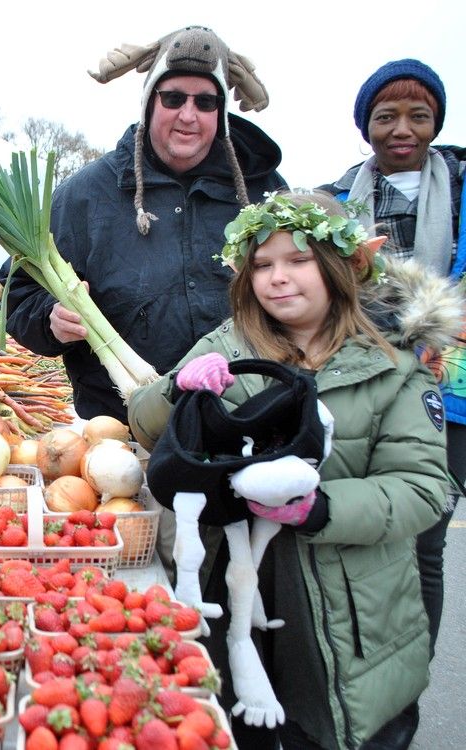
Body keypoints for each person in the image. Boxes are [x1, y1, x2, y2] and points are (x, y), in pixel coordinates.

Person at [128, 191, 456, 749]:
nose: (277, 278)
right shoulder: (229, 342)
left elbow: (423, 489)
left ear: (339, 265)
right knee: (240, 724)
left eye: (297, 260)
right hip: (239, 598)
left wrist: (322, 508)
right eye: (261, 264)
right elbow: (144, 423)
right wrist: (175, 389)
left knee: (332, 727)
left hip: (347, 613)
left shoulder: (395, 366)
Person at [1, 25, 285, 423]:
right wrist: (51, 320)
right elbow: (20, 295)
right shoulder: (85, 195)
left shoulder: (264, 191)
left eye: (205, 102)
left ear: (220, 112)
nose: (188, 115)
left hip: (250, 417)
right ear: (150, 102)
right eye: (173, 98)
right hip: (120, 433)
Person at [320, 59, 465, 748]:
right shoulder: (337, 197)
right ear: (365, 127)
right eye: (386, 116)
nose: (402, 129)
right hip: (365, 387)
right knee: (370, 542)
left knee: (426, 541)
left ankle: (406, 680)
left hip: (452, 396)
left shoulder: (462, 189)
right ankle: (354, 681)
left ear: (436, 120)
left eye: (417, 114)